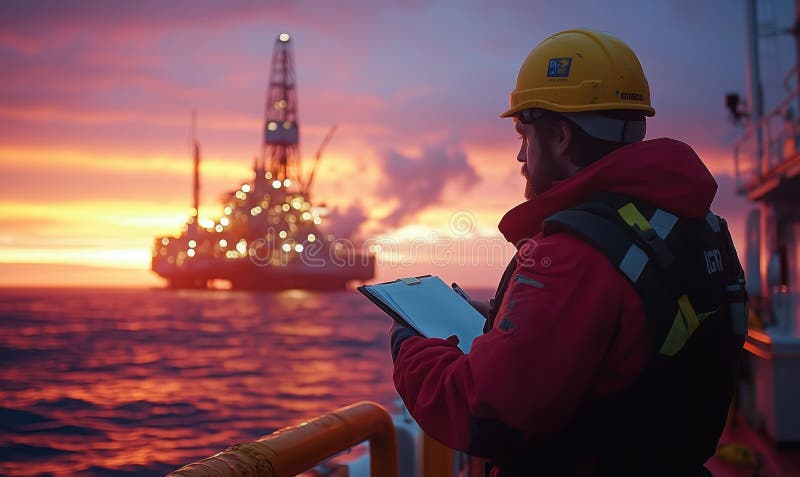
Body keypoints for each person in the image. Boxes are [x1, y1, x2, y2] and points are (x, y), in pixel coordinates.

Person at [389, 29, 747, 476]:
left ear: (559, 136)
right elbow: (628, 333)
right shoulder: (701, 227)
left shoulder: (575, 255)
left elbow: (484, 412)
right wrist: (505, 317)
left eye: (524, 135)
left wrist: (409, 345)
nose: (520, 156)